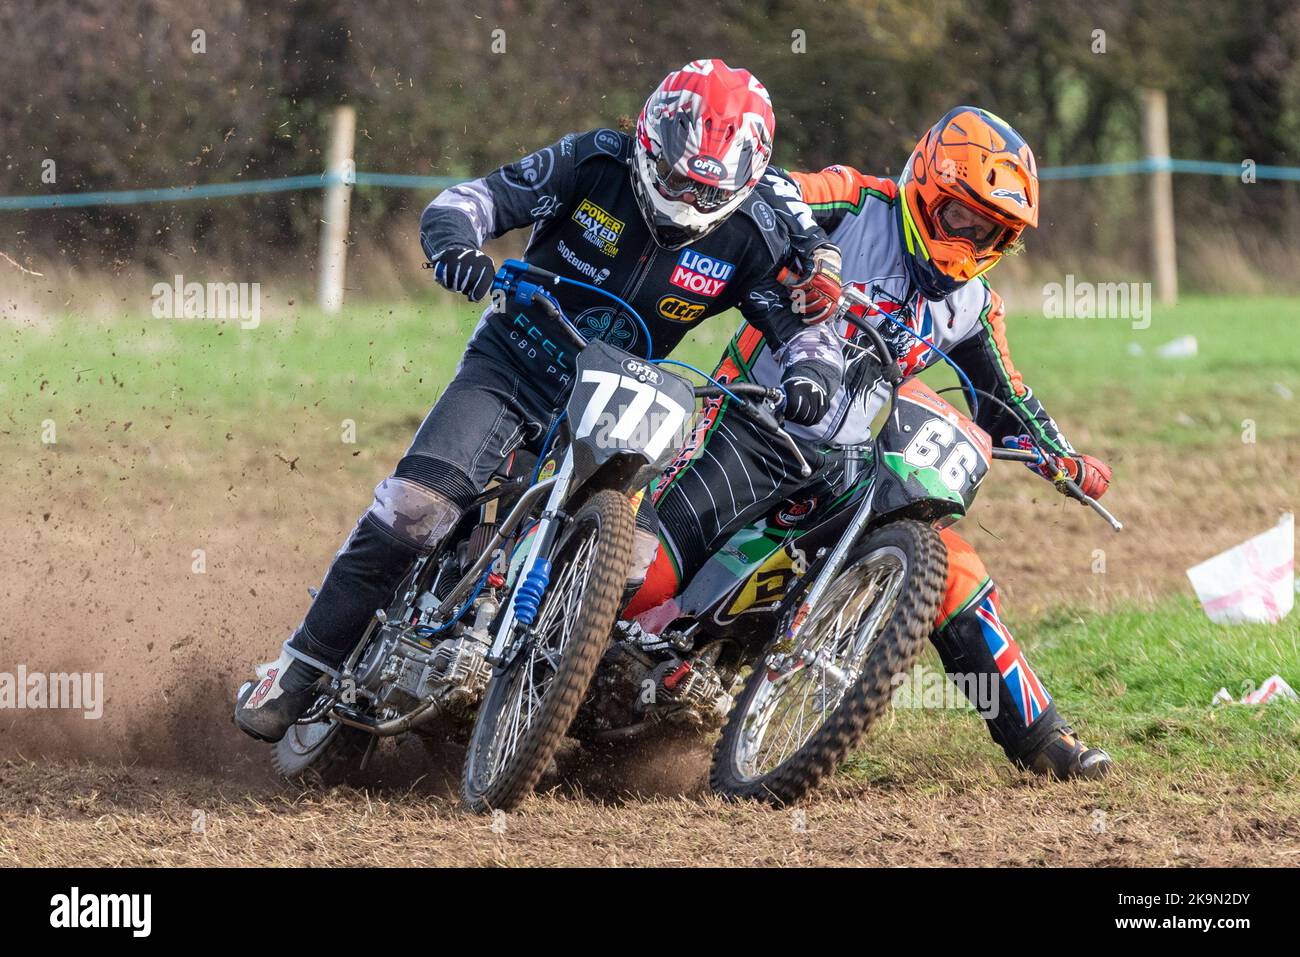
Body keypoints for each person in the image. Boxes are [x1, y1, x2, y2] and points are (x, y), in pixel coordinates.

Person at [234, 59, 846, 742]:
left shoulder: (750, 238)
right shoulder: (592, 161)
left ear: (741, 184)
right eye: (674, 178)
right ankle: (297, 666)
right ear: (649, 143)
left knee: (623, 560)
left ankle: (545, 696)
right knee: (418, 509)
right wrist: (456, 248)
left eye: (706, 191)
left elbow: (803, 327)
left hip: (620, 395)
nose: (685, 199)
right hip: (515, 358)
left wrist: (813, 375)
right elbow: (468, 201)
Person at [625, 107, 1114, 780]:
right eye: (961, 218)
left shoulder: (973, 306)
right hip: (754, 422)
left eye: (992, 231)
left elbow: (1005, 401)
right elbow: (768, 186)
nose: (970, 242)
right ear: (925, 186)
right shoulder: (857, 202)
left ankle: (1044, 741)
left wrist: (1063, 459)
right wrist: (810, 263)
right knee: (644, 574)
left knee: (951, 565)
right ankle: (535, 663)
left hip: (852, 463)